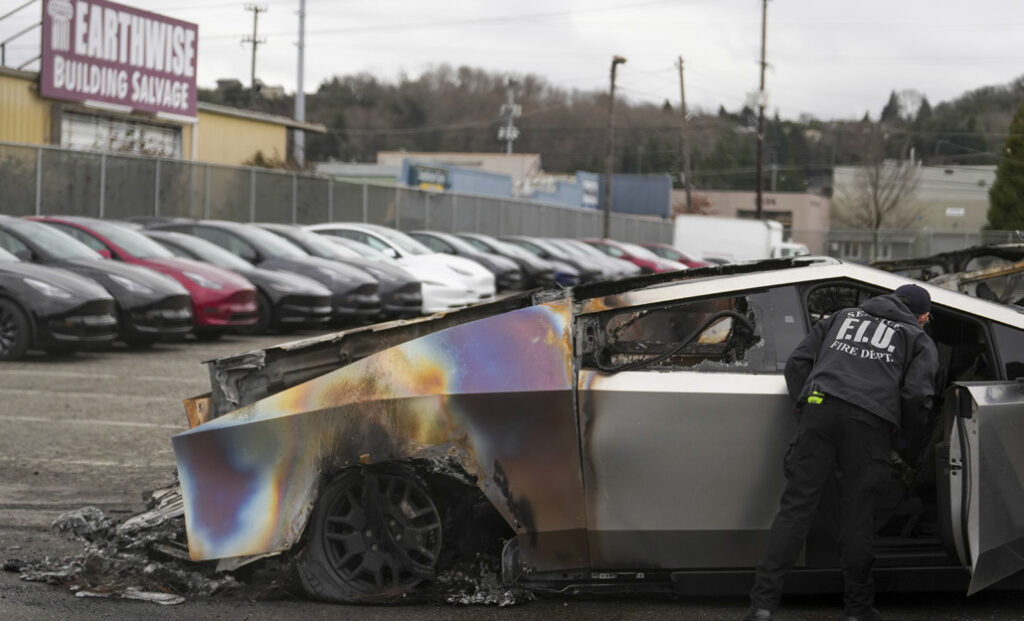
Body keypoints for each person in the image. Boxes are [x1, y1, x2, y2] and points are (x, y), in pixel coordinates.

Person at [742, 284, 938, 621]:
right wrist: (903, 442)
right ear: (922, 317)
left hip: (820, 410)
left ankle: (762, 606)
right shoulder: (917, 338)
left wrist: (807, 409)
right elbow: (918, 398)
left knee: (795, 510)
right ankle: (858, 611)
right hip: (869, 424)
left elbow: (798, 363)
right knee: (857, 517)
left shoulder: (842, 316)